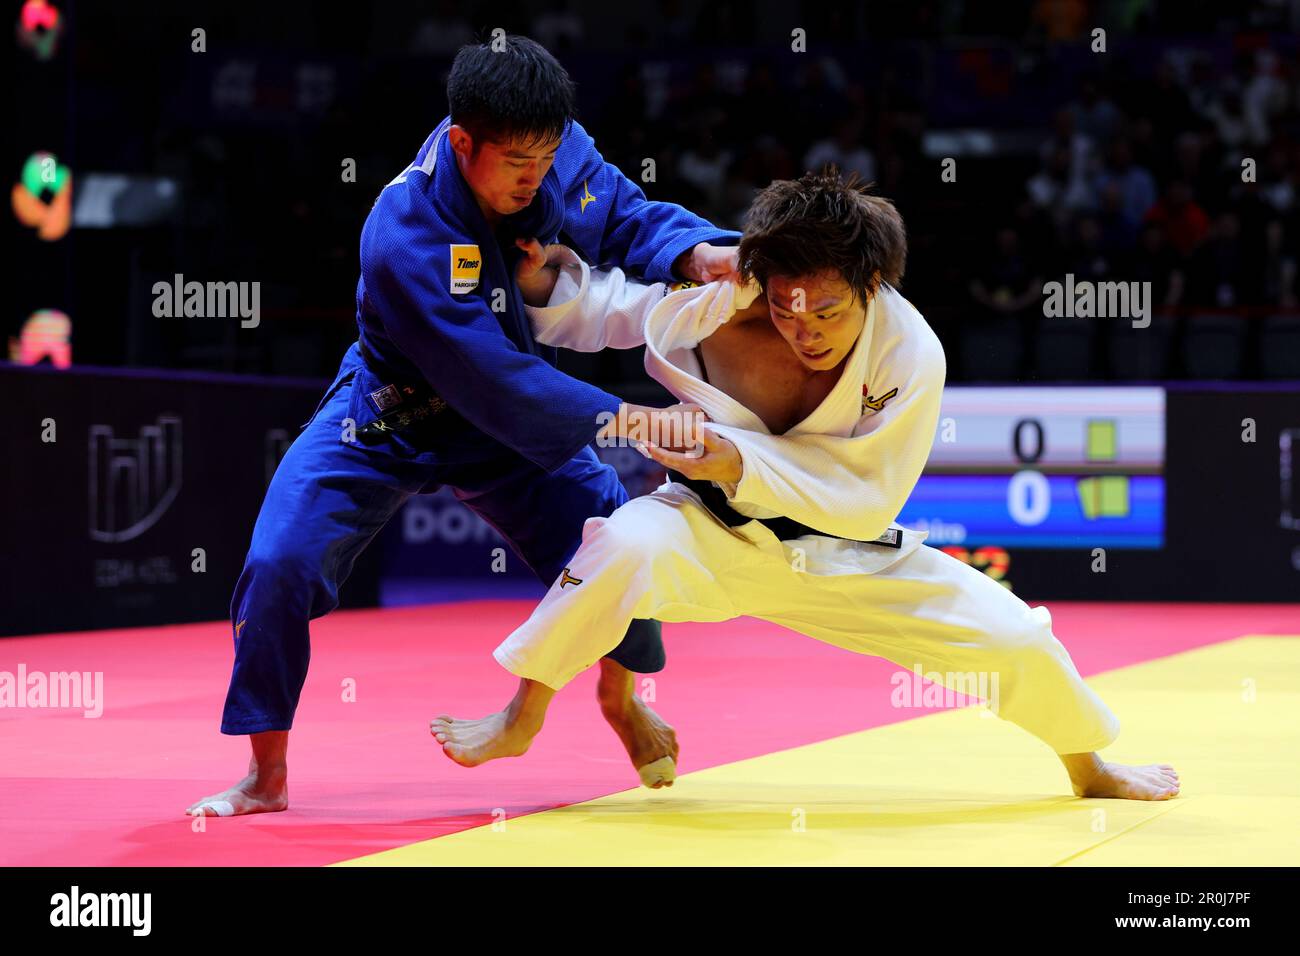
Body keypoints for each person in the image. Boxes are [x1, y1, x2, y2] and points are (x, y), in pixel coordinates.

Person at [432, 171, 1181, 801]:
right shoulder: (724, 303)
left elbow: (870, 497)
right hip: (712, 531)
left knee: (1015, 637)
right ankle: (523, 713)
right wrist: (544, 285)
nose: (805, 329)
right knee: (621, 542)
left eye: (827, 310)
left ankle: (1089, 767)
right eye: (789, 307)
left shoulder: (910, 353)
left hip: (848, 554)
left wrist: (733, 456)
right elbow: (609, 307)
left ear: (873, 284)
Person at [187, 35, 739, 817]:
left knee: (619, 532)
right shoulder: (402, 234)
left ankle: (622, 701)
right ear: (461, 143)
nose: (535, 177)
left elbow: (624, 213)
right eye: (516, 162)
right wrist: (628, 420)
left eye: (546, 159)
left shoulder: (552, 143)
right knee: (278, 560)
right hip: (389, 412)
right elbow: (494, 379)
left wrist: (695, 254)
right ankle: (264, 772)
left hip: (500, 424)